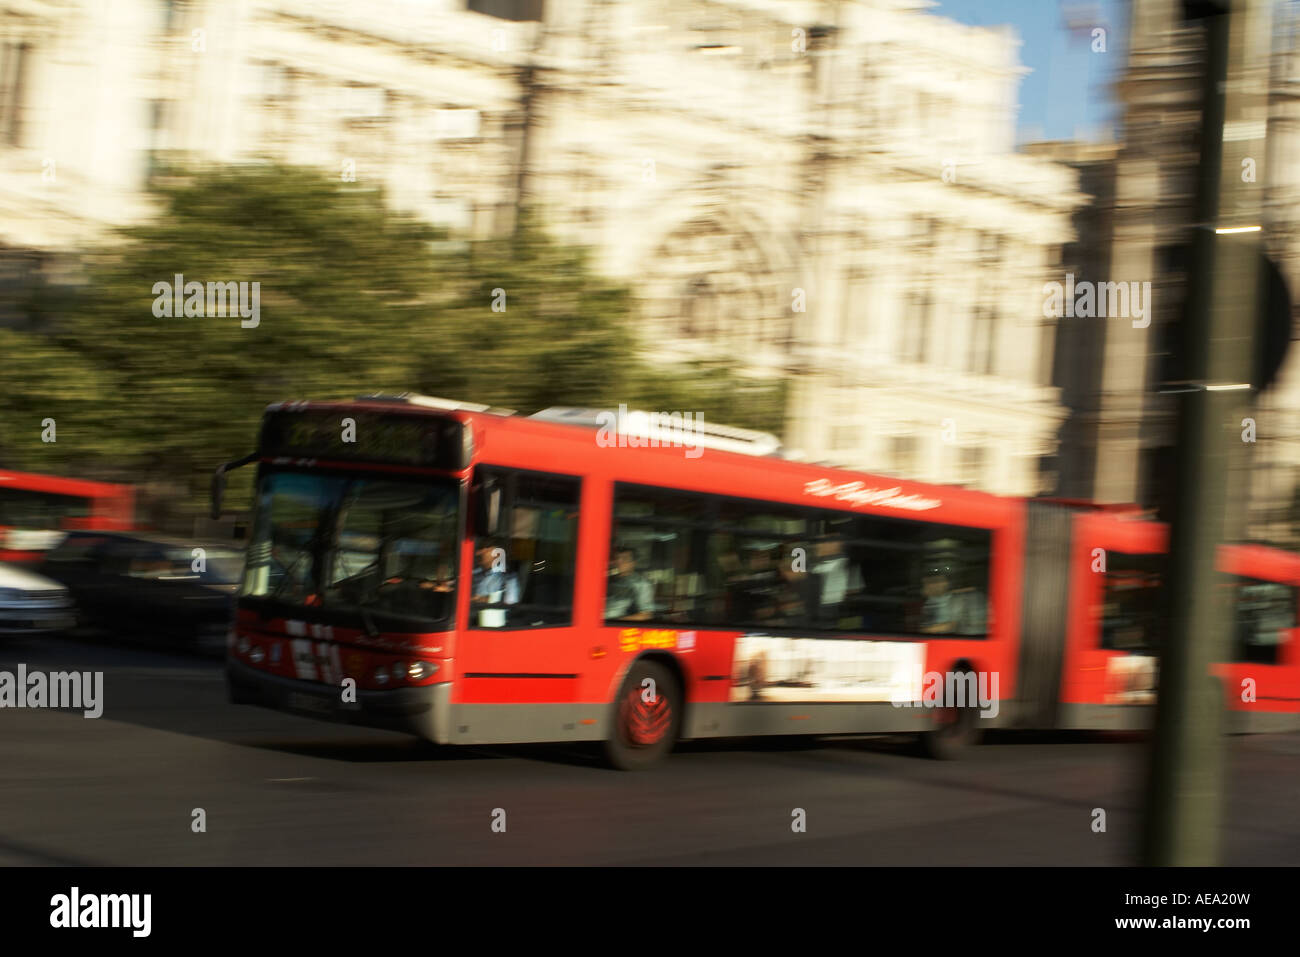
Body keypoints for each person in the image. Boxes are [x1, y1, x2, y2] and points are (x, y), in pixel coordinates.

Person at [605, 546, 655, 620]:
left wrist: (617, 621)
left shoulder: (641, 584)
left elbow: (645, 615)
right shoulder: (610, 580)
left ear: (633, 563)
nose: (619, 562)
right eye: (617, 558)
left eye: (624, 559)